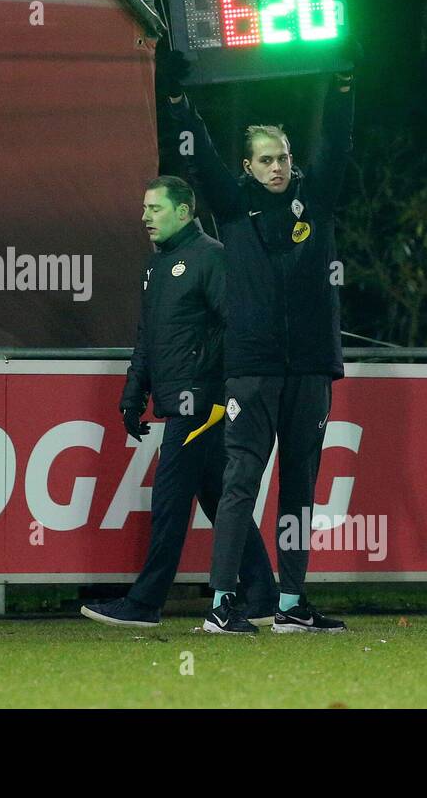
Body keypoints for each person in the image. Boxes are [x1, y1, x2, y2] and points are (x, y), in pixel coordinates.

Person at [159, 52, 355, 635]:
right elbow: (198, 157)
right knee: (241, 482)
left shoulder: (314, 199)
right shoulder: (231, 200)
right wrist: (178, 105)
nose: (277, 167)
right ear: (247, 167)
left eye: (284, 157)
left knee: (300, 487)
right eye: (266, 160)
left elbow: (338, 144)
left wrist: (342, 85)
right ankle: (223, 604)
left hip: (311, 367)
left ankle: (291, 604)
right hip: (252, 368)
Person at [81, 176, 277, 629]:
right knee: (214, 497)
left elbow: (238, 327)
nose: (146, 216)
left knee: (170, 500)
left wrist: (215, 385)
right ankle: (264, 596)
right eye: (145, 207)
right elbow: (147, 337)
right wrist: (134, 394)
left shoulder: (211, 258)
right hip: (178, 401)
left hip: (202, 404)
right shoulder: (158, 265)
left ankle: (146, 602)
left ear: (184, 212)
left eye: (156, 208)